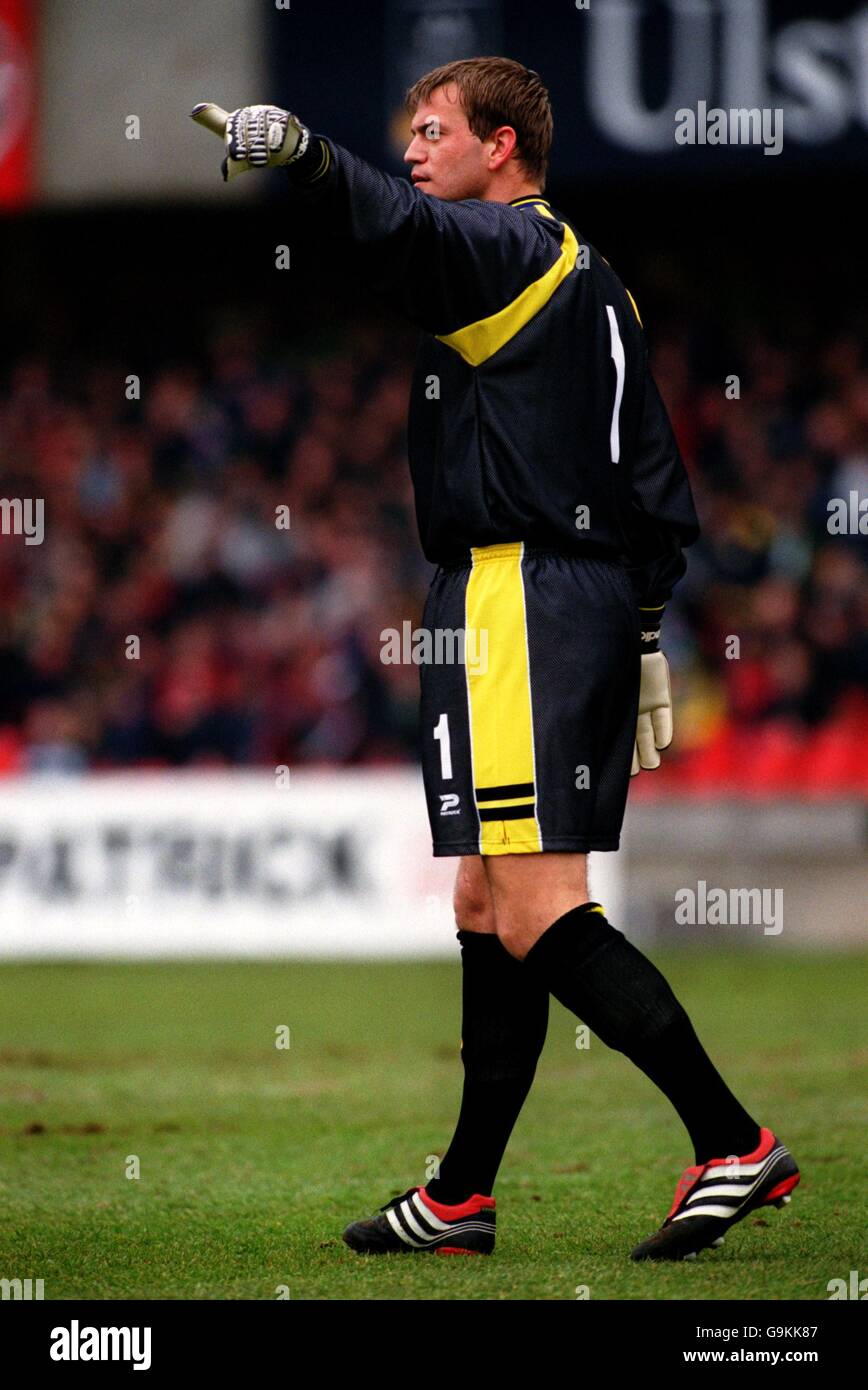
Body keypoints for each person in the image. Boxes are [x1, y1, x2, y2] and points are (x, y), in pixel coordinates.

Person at [192, 57, 800, 1262]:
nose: (415, 151)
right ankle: (462, 1194)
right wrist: (641, 623)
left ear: (503, 149)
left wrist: (308, 154)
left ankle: (732, 1141)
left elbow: (404, 228)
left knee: (534, 905)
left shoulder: (511, 248)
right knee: (484, 898)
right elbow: (650, 463)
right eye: (405, 134)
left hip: (519, 594)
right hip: (540, 595)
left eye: (433, 131)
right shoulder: (586, 279)